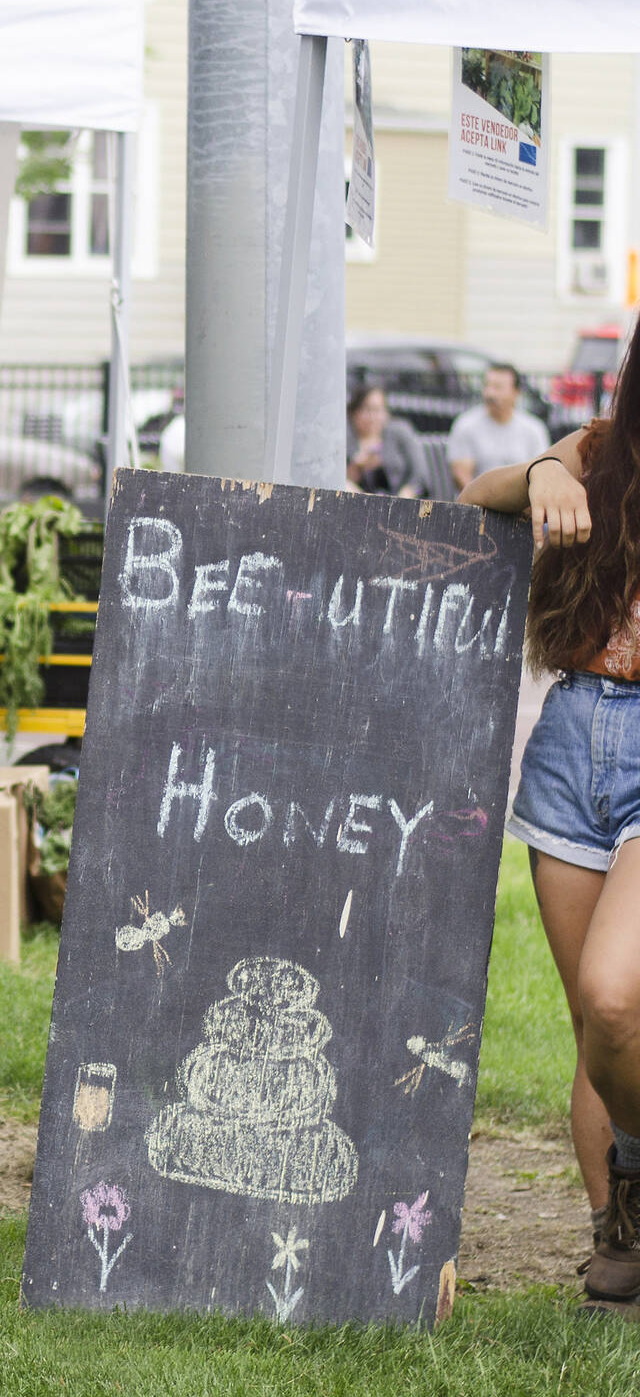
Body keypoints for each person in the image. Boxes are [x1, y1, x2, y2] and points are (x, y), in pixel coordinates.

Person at [460, 352, 640, 1316]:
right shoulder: (603, 455)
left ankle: (636, 1181)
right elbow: (481, 491)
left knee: (618, 1001)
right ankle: (617, 1238)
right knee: (591, 1033)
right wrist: (541, 471)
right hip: (574, 744)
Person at [448, 362, 549, 491]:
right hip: (477, 504)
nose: (490, 394)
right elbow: (461, 476)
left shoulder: (533, 429)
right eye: (487, 386)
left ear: (516, 393)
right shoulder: (466, 425)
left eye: (498, 387)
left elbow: (541, 472)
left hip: (521, 504)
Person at [345, 385, 429, 497]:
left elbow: (420, 475)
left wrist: (402, 498)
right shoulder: (346, 441)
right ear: (353, 413)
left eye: (377, 410)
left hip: (403, 501)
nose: (372, 417)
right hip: (362, 504)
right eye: (366, 410)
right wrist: (358, 467)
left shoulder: (400, 432)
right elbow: (341, 482)